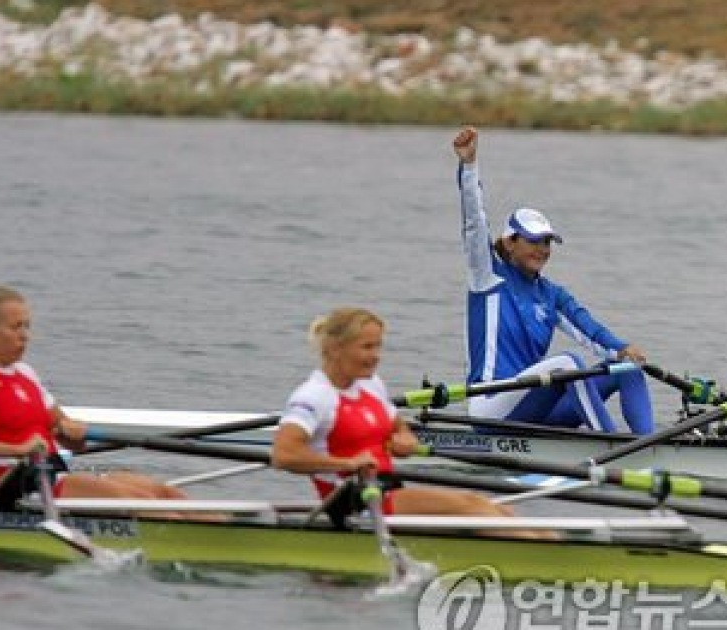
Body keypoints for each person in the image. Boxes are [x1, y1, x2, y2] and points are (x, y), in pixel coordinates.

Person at [452, 126, 655, 435]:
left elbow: (591, 330)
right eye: (534, 241)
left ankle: (649, 446)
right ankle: (613, 445)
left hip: (533, 406)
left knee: (627, 370)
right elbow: (473, 222)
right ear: (509, 243)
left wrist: (623, 350)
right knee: (567, 363)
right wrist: (469, 166)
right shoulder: (488, 277)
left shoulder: (552, 295)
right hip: (490, 405)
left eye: (547, 243)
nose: (542, 250)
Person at [271, 307, 537, 533]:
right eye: (367, 347)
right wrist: (348, 463)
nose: (376, 356)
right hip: (351, 501)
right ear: (335, 349)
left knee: (499, 510)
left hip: (386, 490)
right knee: (474, 508)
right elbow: (283, 455)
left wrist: (404, 438)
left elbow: (397, 426)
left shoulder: (371, 385)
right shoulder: (314, 395)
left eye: (378, 346)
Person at [0, 285, 190, 504]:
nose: (25, 335)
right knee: (141, 501)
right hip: (23, 487)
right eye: (15, 327)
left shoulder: (26, 374)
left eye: (27, 326)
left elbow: (66, 434)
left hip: (56, 473)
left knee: (167, 493)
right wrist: (16, 450)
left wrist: (74, 432)